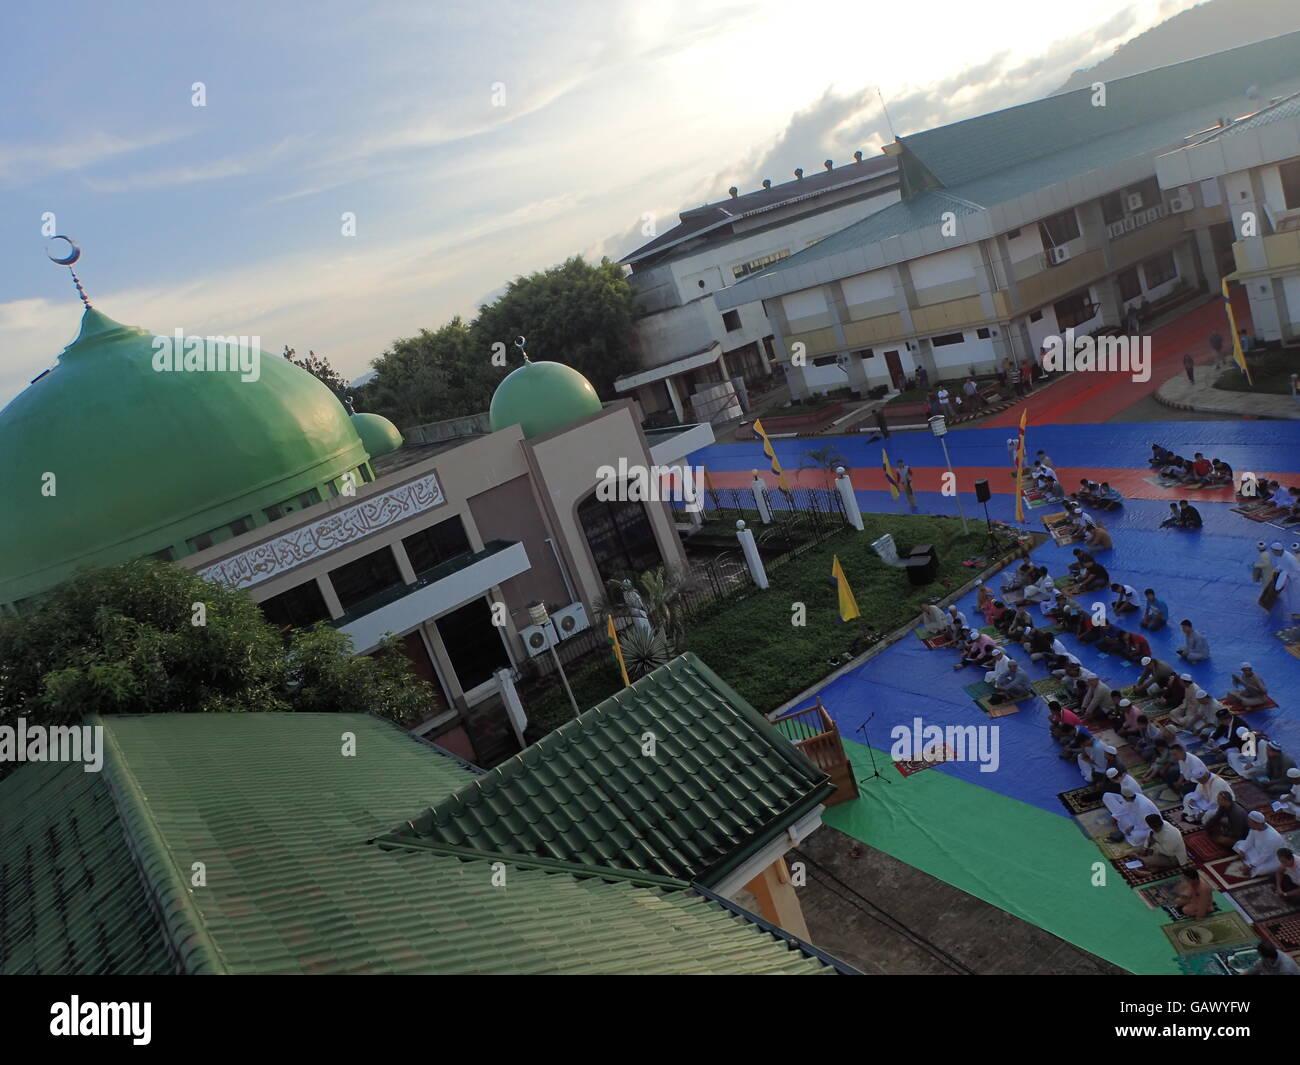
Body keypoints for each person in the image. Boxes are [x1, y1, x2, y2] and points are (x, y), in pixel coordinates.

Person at [1105, 781, 1160, 846]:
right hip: (1135, 819)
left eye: (1123, 797)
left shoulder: (1143, 806)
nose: (1123, 798)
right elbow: (1125, 808)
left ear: (1127, 797)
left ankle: (1125, 832)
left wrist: (1133, 827)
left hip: (1148, 826)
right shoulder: (1134, 797)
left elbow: (1146, 824)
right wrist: (1115, 817)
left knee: (1135, 836)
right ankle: (1125, 830)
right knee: (1107, 796)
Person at [1234, 811, 1286, 877]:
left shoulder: (1272, 837)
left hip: (1271, 859)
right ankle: (1248, 863)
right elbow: (1250, 840)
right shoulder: (1254, 828)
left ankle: (1248, 864)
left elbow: (1265, 855)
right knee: (1238, 844)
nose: (1248, 824)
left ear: (1258, 824)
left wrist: (1251, 865)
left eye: (1250, 823)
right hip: (1257, 851)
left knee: (1259, 870)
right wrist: (1242, 851)